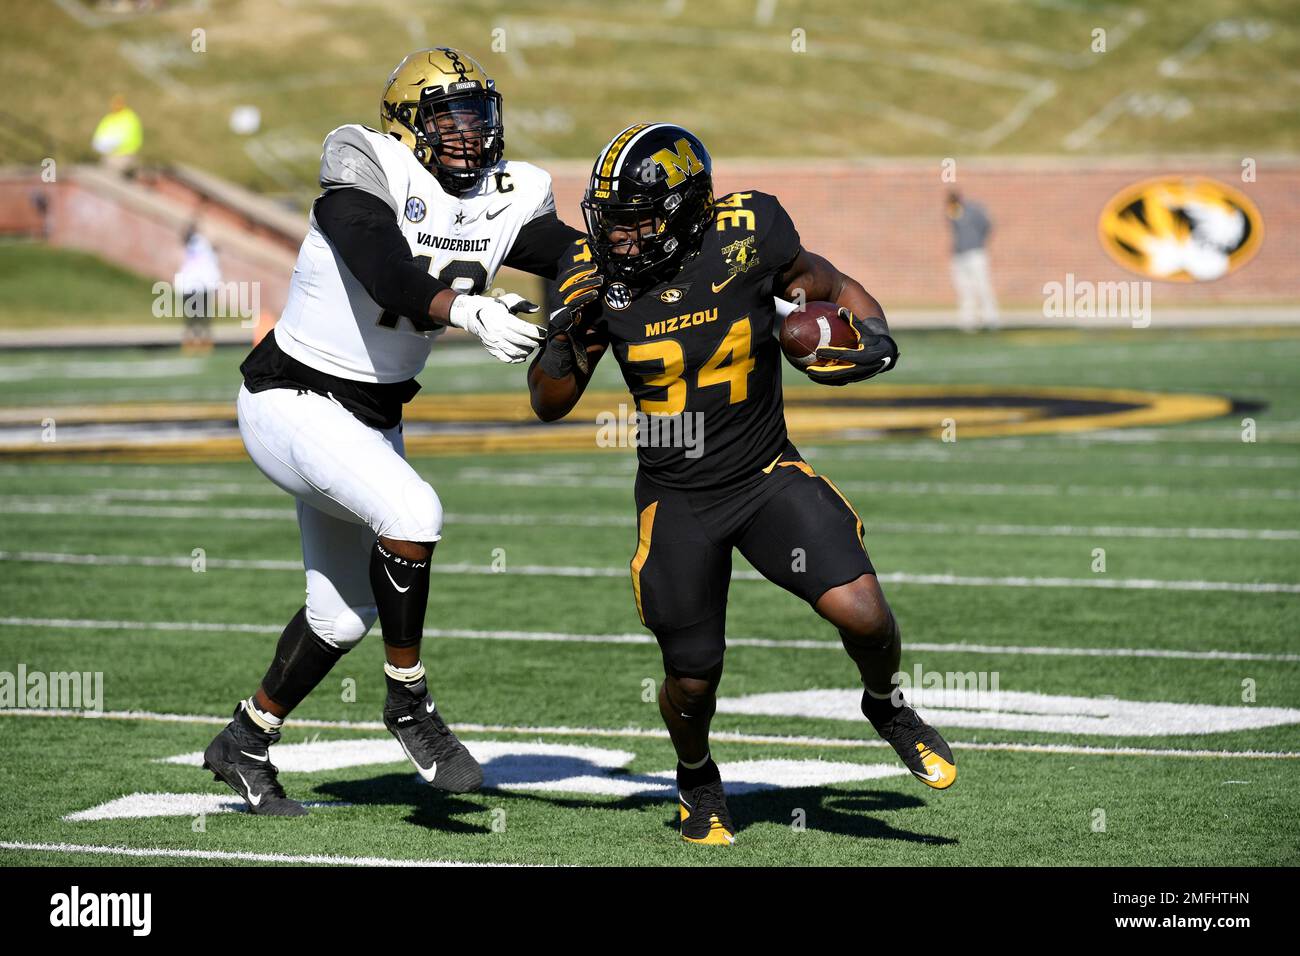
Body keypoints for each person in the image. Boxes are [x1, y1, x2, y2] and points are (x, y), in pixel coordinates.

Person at [529, 124, 956, 845]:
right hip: (678, 498)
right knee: (692, 679)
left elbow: (833, 283)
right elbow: (548, 401)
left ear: (685, 212)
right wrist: (565, 339)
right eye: (611, 221)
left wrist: (873, 339)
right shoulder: (603, 282)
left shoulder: (749, 234)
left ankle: (885, 706)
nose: (620, 239)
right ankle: (696, 776)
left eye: (636, 221)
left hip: (764, 475)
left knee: (865, 613)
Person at [202, 48, 583, 815]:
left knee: (340, 618)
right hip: (290, 397)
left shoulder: (512, 193)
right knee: (414, 514)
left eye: (477, 114)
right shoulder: (363, 164)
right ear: (406, 127)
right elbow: (385, 268)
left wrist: (600, 304)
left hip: (374, 414)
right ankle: (409, 703)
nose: (469, 133)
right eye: (448, 116)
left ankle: (245, 739)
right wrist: (466, 308)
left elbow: (578, 254)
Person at [946, 190, 999, 331]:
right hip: (959, 255)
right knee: (964, 288)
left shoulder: (973, 210)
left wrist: (978, 241)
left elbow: (987, 225)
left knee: (982, 285)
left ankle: (991, 318)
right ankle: (967, 320)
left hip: (975, 253)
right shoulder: (951, 212)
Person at [177, 222, 221, 353]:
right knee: (193, 316)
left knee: (202, 316)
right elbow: (185, 236)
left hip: (202, 284)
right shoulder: (193, 242)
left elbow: (215, 246)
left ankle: (204, 342)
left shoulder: (205, 244)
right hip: (192, 284)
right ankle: (192, 342)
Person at [91, 95, 143, 176]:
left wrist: (116, 144)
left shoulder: (129, 117)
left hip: (123, 155)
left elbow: (130, 136)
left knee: (116, 178)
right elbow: (100, 133)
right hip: (109, 154)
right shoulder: (109, 118)